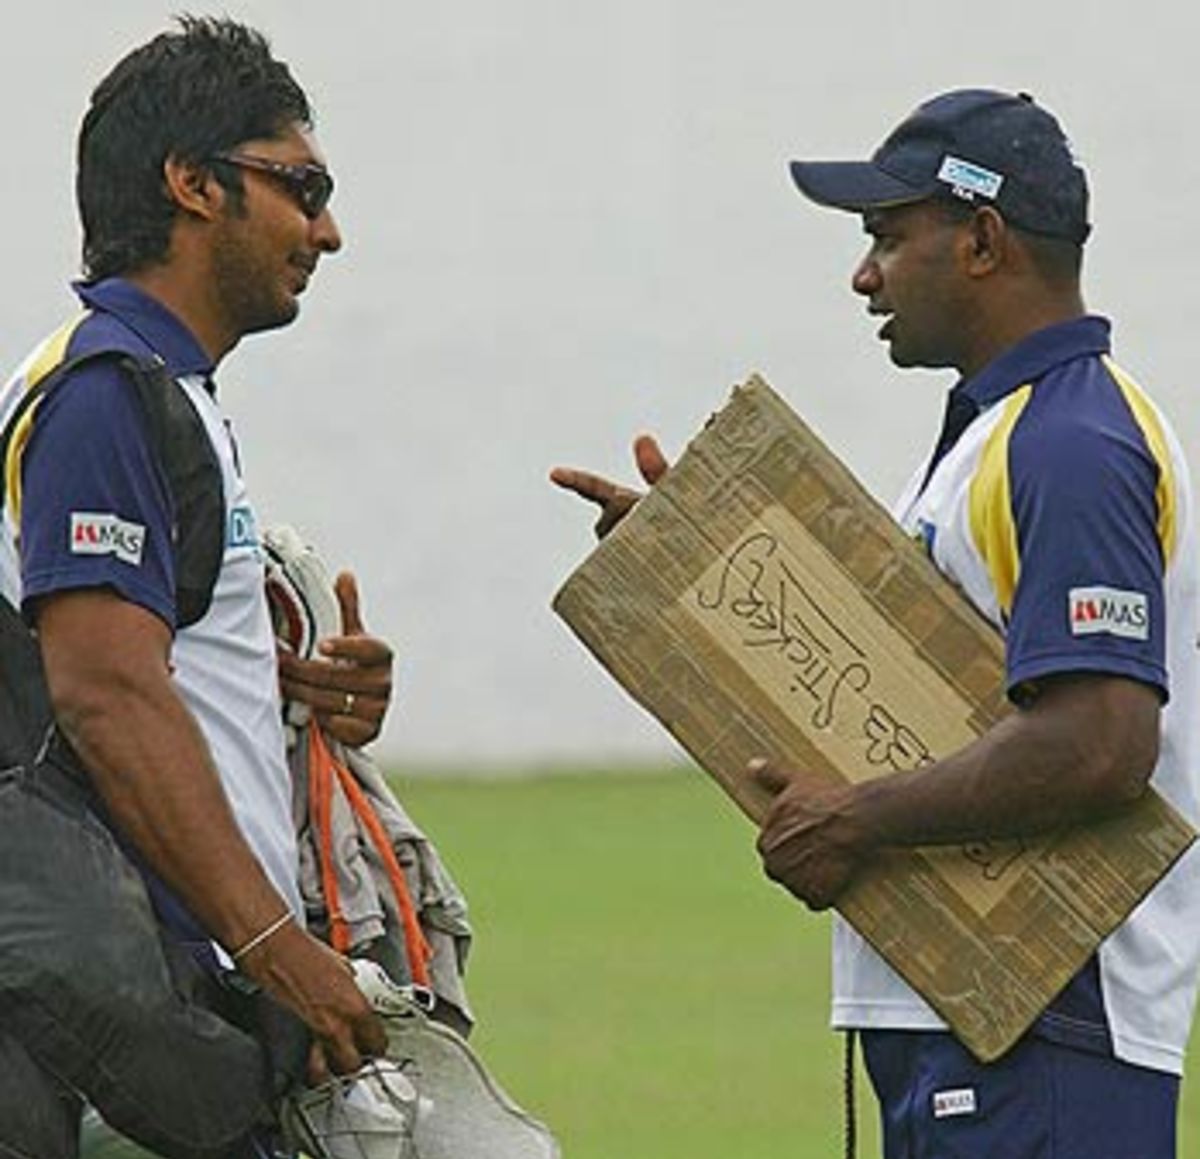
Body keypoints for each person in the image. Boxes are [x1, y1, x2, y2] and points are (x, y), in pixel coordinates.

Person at [553, 89, 1200, 1157]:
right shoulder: (1000, 434)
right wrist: (692, 568)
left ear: (984, 240)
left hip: (1052, 1027)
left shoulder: (1070, 445)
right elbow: (921, 680)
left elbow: (1102, 741)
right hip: (980, 1018)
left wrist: (859, 819)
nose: (864, 276)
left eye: (889, 238)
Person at [0, 16, 391, 1154]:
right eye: (301, 184)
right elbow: (104, 696)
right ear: (192, 184)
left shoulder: (144, 384)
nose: (327, 229)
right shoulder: (105, 389)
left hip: (163, 1002)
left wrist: (285, 693)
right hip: (127, 1032)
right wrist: (279, 946)